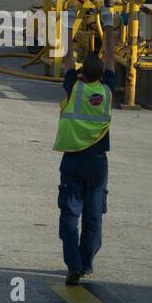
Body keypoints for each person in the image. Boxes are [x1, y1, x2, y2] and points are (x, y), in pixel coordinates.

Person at [53, 14, 117, 285]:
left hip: (73, 161)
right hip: (98, 163)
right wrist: (109, 22)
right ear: (101, 75)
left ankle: (73, 266)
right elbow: (112, 54)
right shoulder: (107, 91)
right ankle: (86, 262)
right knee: (93, 215)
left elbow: (67, 56)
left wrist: (68, 23)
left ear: (80, 73)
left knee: (70, 215)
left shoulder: (73, 88)